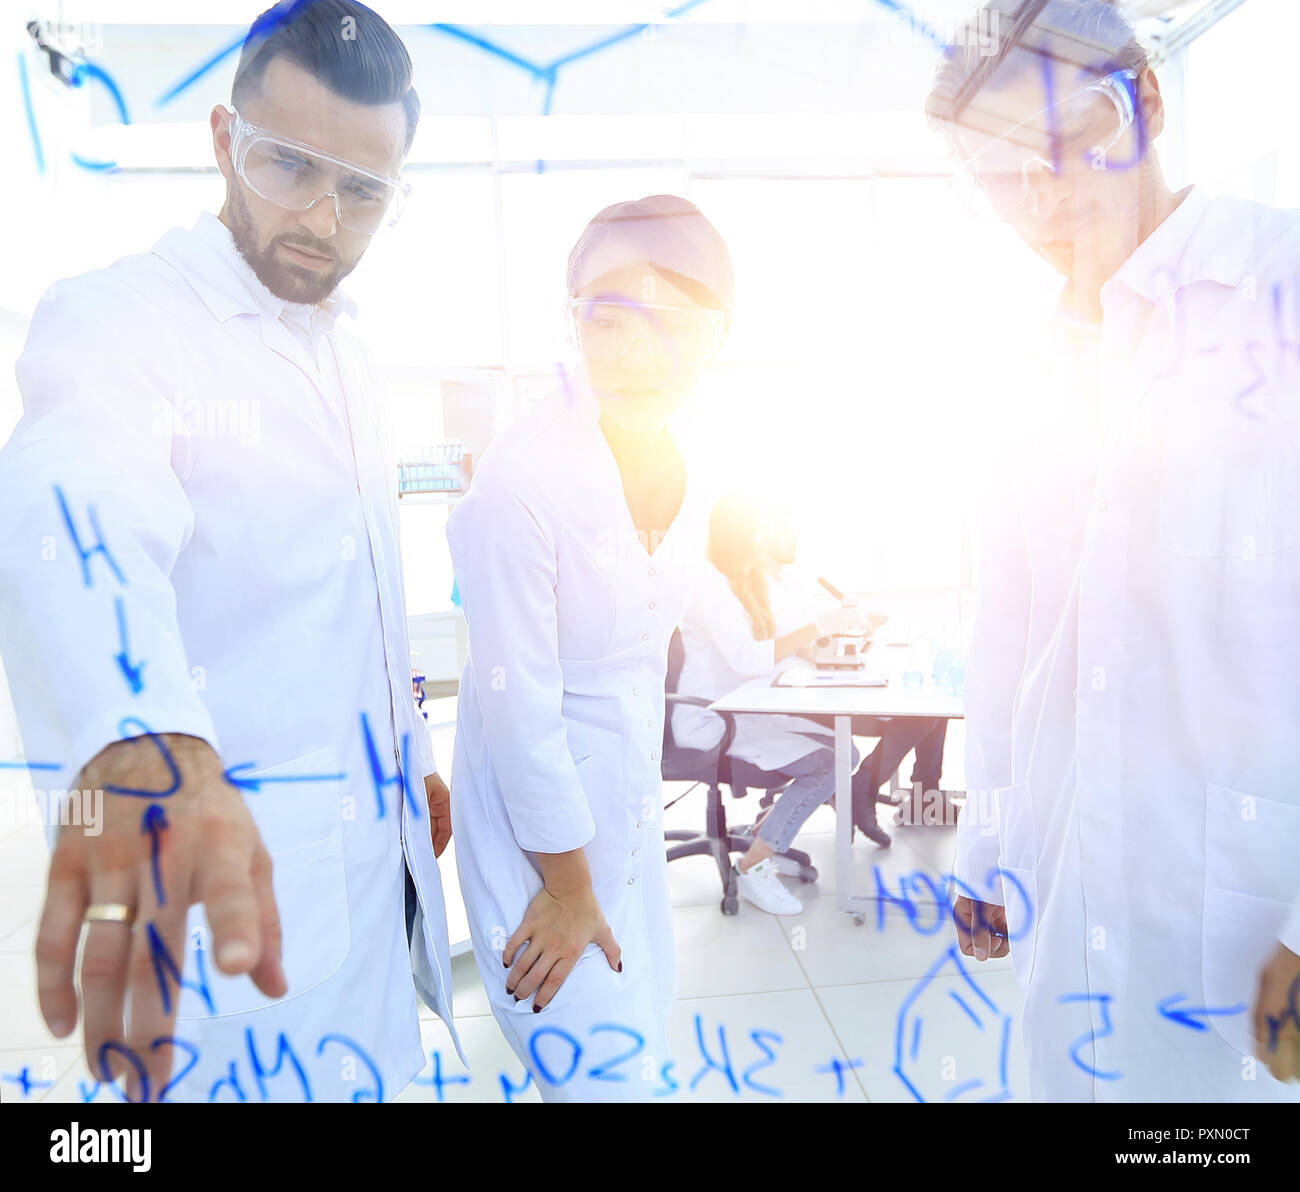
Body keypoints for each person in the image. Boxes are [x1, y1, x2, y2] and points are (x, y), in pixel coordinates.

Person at [0, 0, 459, 1102]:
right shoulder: (120, 322)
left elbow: (356, 593)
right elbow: (76, 514)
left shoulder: (348, 349)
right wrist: (142, 739)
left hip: (374, 882)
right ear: (222, 139)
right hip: (223, 909)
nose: (322, 218)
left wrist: (412, 743)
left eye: (363, 190)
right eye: (286, 165)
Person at [928, 0, 1300, 1100]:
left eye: (1058, 146)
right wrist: (987, 847)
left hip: (1247, 912)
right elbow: (1010, 632)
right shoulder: (1033, 364)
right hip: (1069, 903)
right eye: (997, 177)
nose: (1036, 201)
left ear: (1139, 103)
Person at [446, 195, 734, 1101]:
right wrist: (569, 889)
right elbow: (516, 707)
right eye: (608, 318)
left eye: (672, 320)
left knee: (640, 1061)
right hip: (539, 838)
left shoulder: (696, 458)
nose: (636, 352)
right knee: (596, 1082)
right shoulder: (522, 477)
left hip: (628, 811)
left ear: (716, 335)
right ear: (575, 323)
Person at [675, 494, 946, 913]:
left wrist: (823, 645)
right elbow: (747, 657)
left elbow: (764, 648)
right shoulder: (709, 584)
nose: (765, 540)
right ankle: (752, 869)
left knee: (844, 750)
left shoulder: (736, 580)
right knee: (827, 763)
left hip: (743, 708)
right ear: (739, 536)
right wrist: (819, 628)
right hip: (713, 719)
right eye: (760, 532)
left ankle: (769, 838)